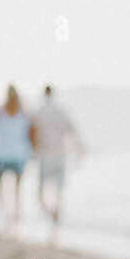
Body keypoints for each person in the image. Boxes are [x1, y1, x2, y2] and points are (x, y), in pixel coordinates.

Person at [29, 85, 81, 242]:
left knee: (39, 193)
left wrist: (34, 150)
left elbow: (31, 134)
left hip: (45, 156)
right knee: (59, 193)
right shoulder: (61, 111)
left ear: (43, 95)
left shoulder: (38, 112)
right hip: (61, 156)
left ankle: (51, 216)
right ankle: (55, 223)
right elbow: (74, 133)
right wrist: (80, 151)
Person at [0, 85, 33, 234]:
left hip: (2, 154)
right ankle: (16, 218)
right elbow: (31, 134)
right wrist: (33, 151)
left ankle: (4, 215)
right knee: (17, 191)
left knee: (1, 188)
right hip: (19, 155)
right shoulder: (24, 113)